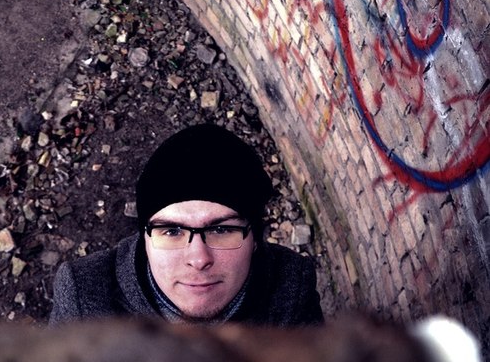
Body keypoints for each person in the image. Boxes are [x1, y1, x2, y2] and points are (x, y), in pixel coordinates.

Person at [50, 124, 323, 326]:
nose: (199, 259)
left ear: (255, 240)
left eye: (221, 230)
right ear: (145, 238)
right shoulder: (84, 296)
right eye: (172, 231)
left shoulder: (292, 287)